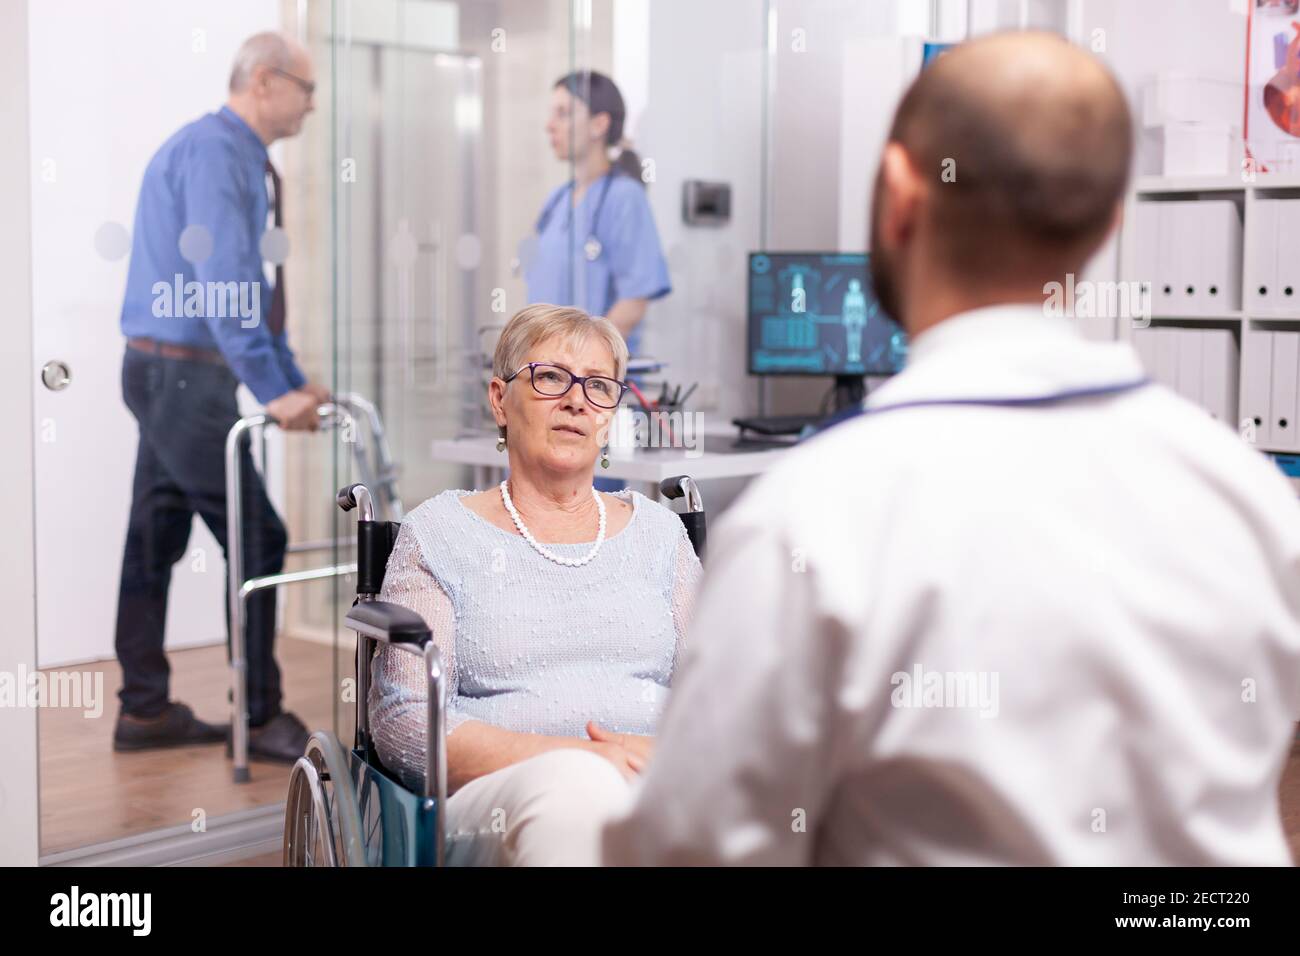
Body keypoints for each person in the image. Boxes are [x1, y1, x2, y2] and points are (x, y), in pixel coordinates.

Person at [603, 31, 1300, 865]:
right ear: (1111, 221)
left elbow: (691, 848)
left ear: (900, 193)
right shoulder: (1247, 492)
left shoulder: (813, 515)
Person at [369, 304, 702, 866]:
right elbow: (406, 724)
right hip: (500, 801)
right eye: (551, 377)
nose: (577, 400)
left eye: (599, 386)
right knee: (574, 789)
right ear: (500, 400)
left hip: (662, 783)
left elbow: (721, 693)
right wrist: (581, 758)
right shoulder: (441, 532)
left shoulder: (660, 533)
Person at [112, 32, 328, 762]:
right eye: (307, 88)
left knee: (154, 537)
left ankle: (143, 710)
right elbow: (229, 283)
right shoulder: (217, 152)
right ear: (266, 82)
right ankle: (261, 717)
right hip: (178, 375)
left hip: (174, 371)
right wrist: (274, 391)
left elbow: (252, 293)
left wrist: (290, 380)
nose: (312, 103)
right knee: (258, 535)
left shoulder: (231, 154)